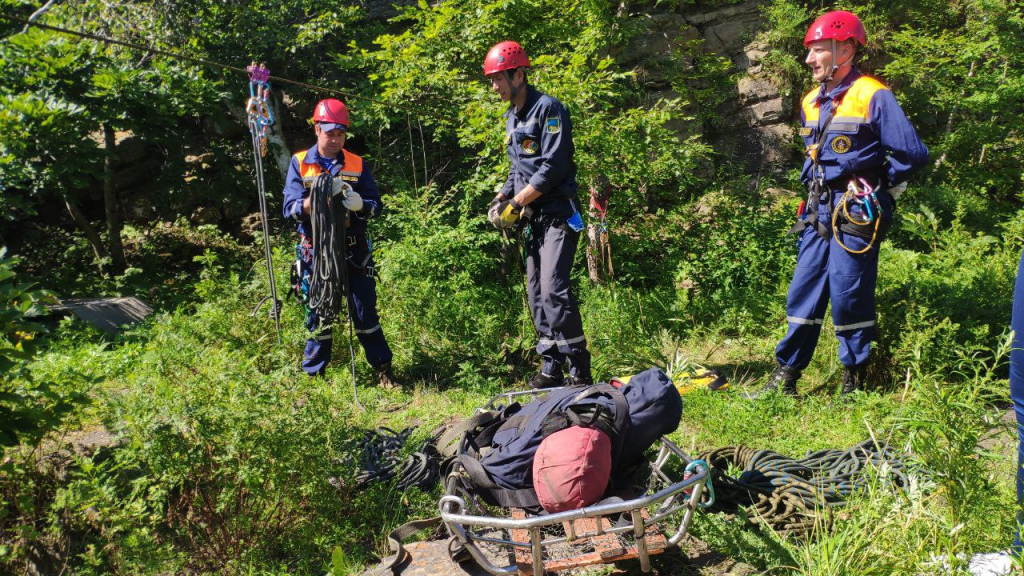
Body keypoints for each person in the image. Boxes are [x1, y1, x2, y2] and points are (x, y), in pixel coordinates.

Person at [755, 11, 929, 398]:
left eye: (817, 51)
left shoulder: (872, 94)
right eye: (809, 52)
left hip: (855, 208)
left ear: (844, 49)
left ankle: (856, 378)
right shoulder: (810, 101)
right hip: (818, 208)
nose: (808, 59)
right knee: (804, 289)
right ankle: (786, 375)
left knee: (850, 292)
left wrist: (883, 184)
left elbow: (913, 153)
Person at [483, 40, 592, 389]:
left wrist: (518, 203)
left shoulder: (550, 109)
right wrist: (501, 198)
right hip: (534, 220)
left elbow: (553, 167)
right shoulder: (511, 118)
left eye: (499, 78)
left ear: (518, 74)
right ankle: (551, 365)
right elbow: (518, 170)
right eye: (492, 80)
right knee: (535, 293)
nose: (495, 86)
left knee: (554, 289)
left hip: (558, 214)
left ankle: (580, 369)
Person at [282, 98, 397, 386]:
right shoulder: (300, 163)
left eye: (340, 134)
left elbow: (375, 205)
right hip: (317, 253)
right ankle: (314, 376)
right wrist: (319, 198)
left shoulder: (357, 164)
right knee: (319, 313)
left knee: (364, 311)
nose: (335, 139)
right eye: (329, 133)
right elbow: (290, 209)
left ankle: (384, 370)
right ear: (317, 130)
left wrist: (358, 204)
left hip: (354, 249)